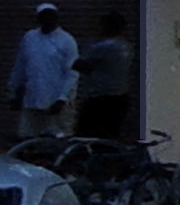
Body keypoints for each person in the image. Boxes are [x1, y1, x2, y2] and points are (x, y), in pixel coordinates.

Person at [3, 15, 69, 144]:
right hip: (32, 98)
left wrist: (63, 98)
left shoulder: (65, 40)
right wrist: (13, 92)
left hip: (53, 100)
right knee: (27, 136)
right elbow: (20, 66)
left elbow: (71, 73)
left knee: (54, 137)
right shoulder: (30, 38)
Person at [63, 21, 125, 147]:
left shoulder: (102, 47)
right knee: (111, 134)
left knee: (84, 134)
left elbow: (79, 65)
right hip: (120, 97)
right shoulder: (126, 46)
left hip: (99, 98)